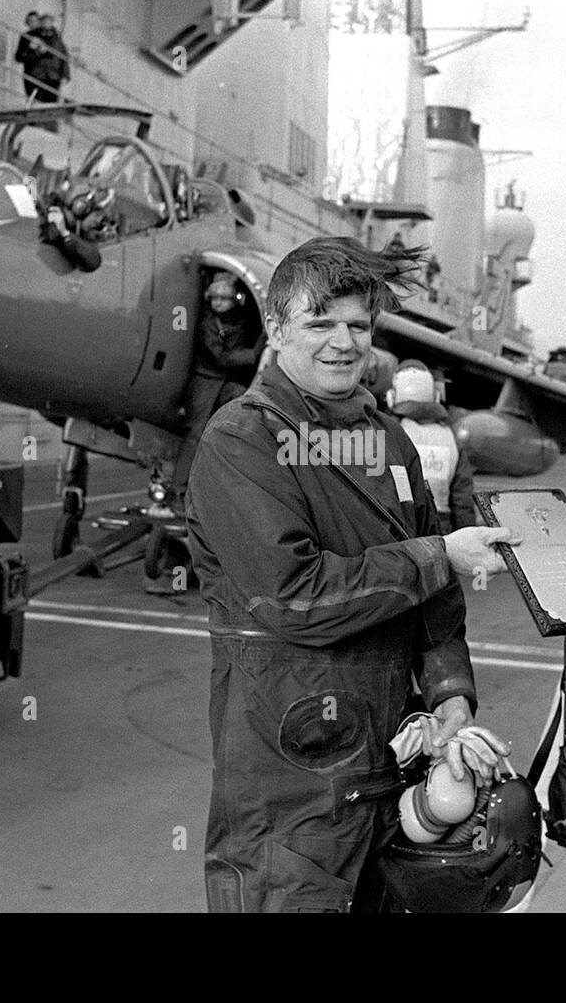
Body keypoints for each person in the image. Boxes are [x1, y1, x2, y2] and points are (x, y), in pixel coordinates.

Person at [185, 237, 521, 912]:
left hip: (389, 769)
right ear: (276, 329)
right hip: (290, 786)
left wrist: (451, 692)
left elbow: (435, 600)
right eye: (320, 322)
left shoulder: (389, 439)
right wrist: (438, 555)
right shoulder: (240, 440)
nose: (344, 341)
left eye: (358, 325)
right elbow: (296, 596)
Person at [168, 272, 263, 502]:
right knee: (195, 432)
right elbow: (222, 358)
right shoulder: (207, 325)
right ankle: (178, 489)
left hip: (225, 384)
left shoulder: (241, 320)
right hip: (206, 381)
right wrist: (255, 352)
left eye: (224, 298)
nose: (218, 302)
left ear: (235, 300)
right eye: (215, 298)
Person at [386, 359, 476, 533]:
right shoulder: (450, 438)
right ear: (434, 396)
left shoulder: (390, 433)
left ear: (392, 397)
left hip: (400, 526)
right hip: (440, 529)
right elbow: (462, 502)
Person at [40, 187, 102, 272]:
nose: (82, 204)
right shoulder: (52, 203)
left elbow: (93, 261)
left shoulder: (84, 232)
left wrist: (64, 232)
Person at [29, 14, 70, 104]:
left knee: (52, 101)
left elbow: (64, 58)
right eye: (44, 22)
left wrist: (65, 75)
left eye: (48, 22)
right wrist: (35, 51)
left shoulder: (57, 41)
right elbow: (28, 57)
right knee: (37, 101)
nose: (46, 24)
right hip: (39, 74)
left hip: (53, 75)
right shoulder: (36, 38)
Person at [14, 11, 45, 98]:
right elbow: (18, 57)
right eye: (29, 21)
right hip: (30, 72)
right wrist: (30, 49)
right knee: (31, 97)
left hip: (45, 72)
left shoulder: (47, 35)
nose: (31, 24)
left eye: (34, 21)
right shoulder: (25, 36)